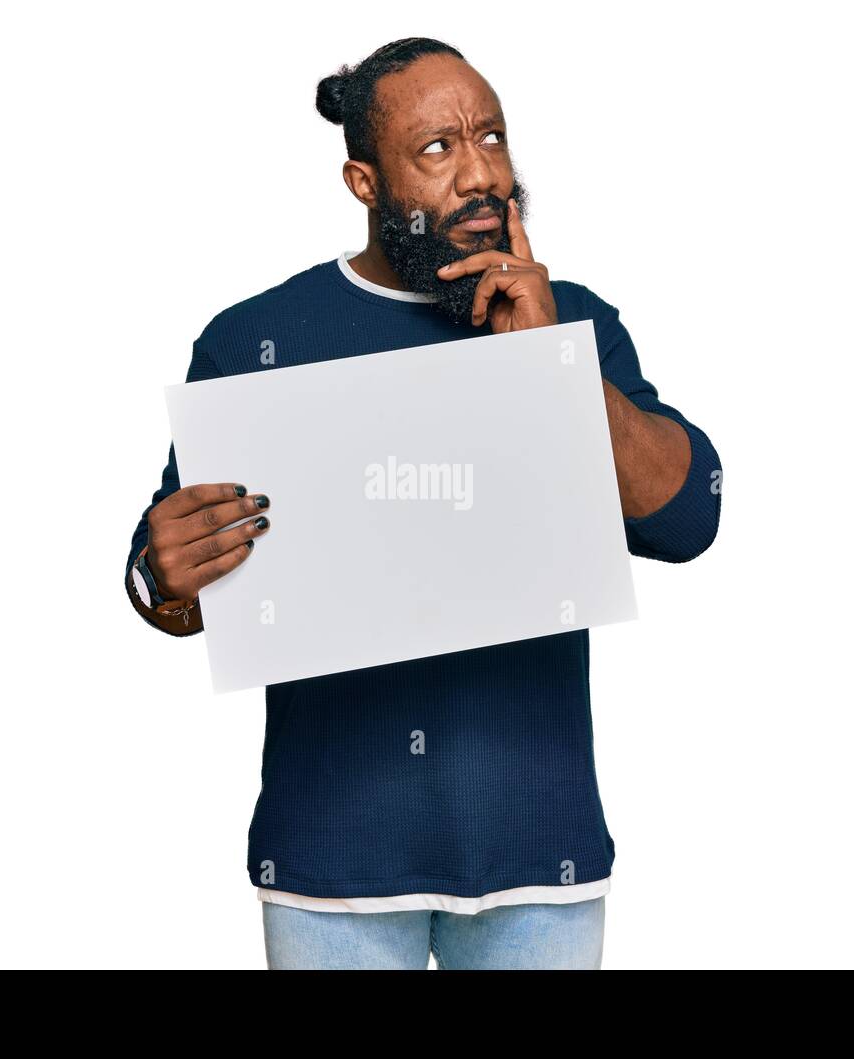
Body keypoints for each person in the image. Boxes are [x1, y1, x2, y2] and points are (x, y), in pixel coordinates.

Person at [125, 37, 722, 970]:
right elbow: (183, 586)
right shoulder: (257, 340)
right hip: (332, 860)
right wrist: (154, 577)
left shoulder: (573, 319)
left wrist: (552, 360)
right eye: (438, 149)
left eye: (492, 136)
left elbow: (687, 518)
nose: (482, 172)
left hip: (538, 855)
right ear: (365, 182)